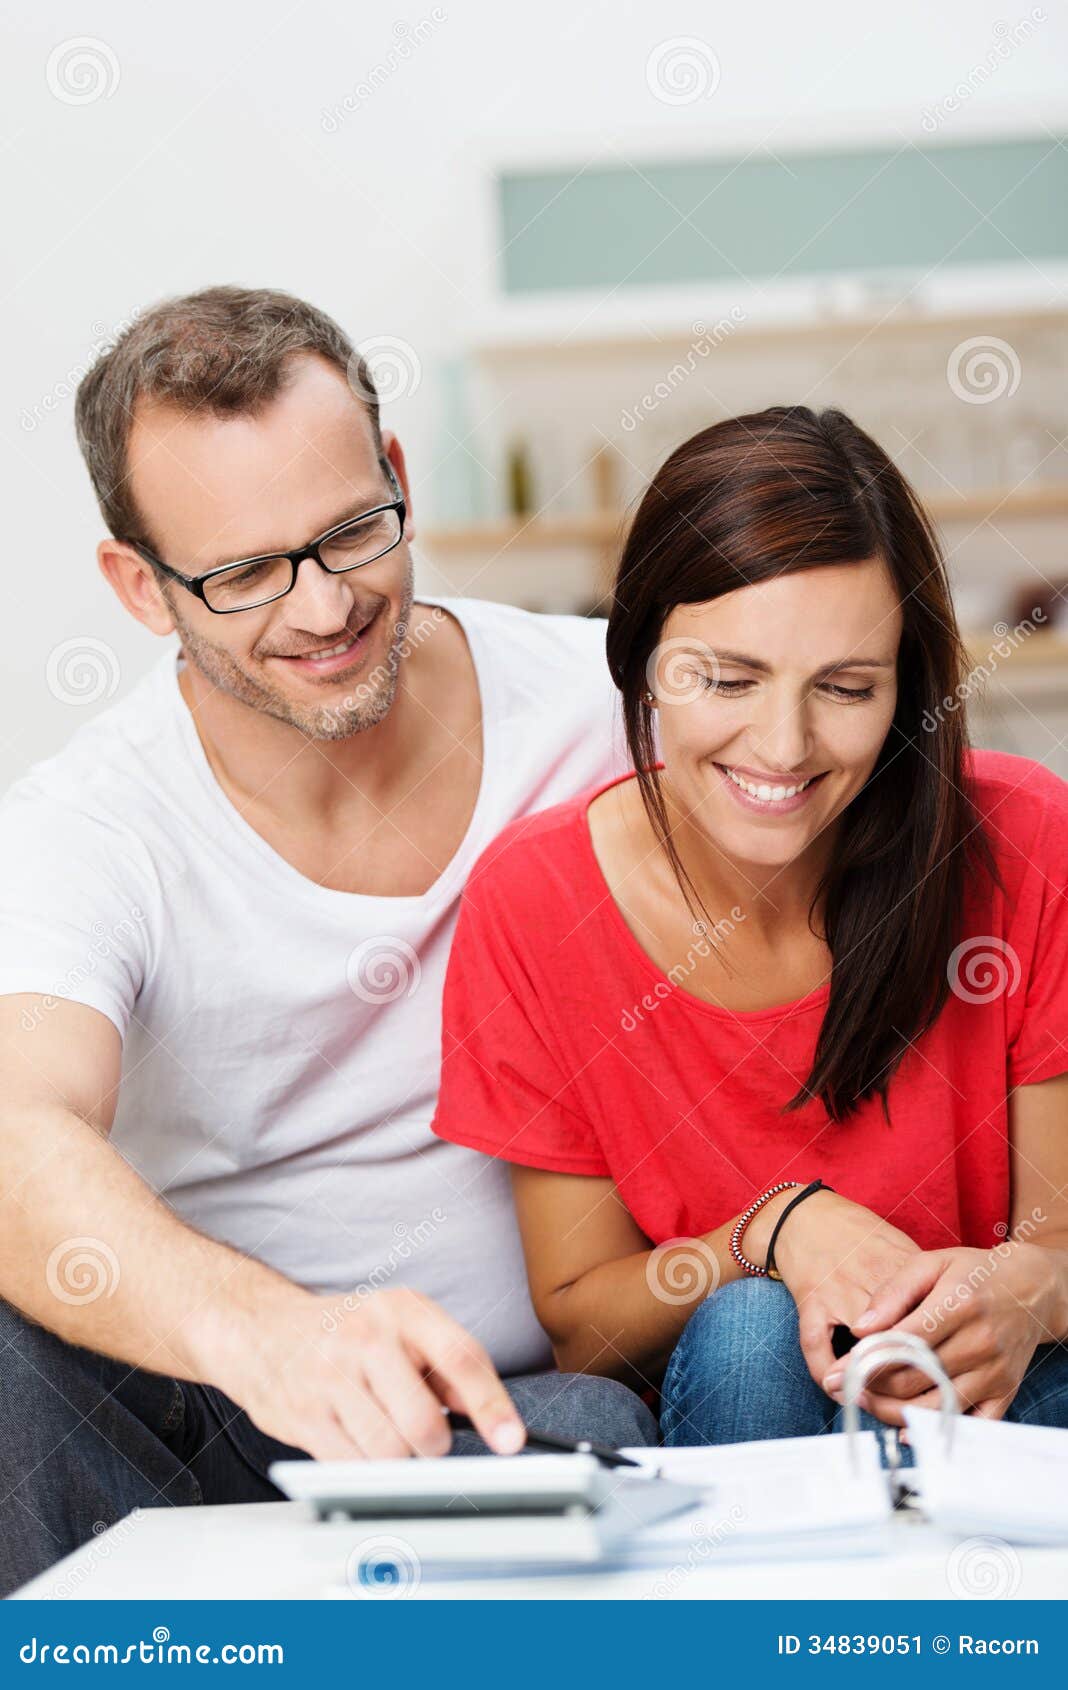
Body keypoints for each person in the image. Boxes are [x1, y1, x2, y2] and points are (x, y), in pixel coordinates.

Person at [0, 286, 654, 1596]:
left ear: (396, 472)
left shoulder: (602, 707)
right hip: (208, 1406)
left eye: (352, 531)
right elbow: (19, 1129)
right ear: (140, 588)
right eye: (244, 572)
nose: (323, 608)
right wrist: (272, 1336)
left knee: (590, 1419)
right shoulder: (94, 822)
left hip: (507, 1405)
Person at [433, 404, 1068, 1445]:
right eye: (727, 679)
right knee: (751, 1330)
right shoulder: (536, 900)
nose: (783, 746)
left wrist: (1028, 1291)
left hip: (993, 1411)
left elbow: (1060, 1242)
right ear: (640, 660)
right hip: (742, 1412)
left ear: (906, 688)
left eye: (846, 688)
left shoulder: (1025, 837)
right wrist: (770, 1233)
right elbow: (584, 1329)